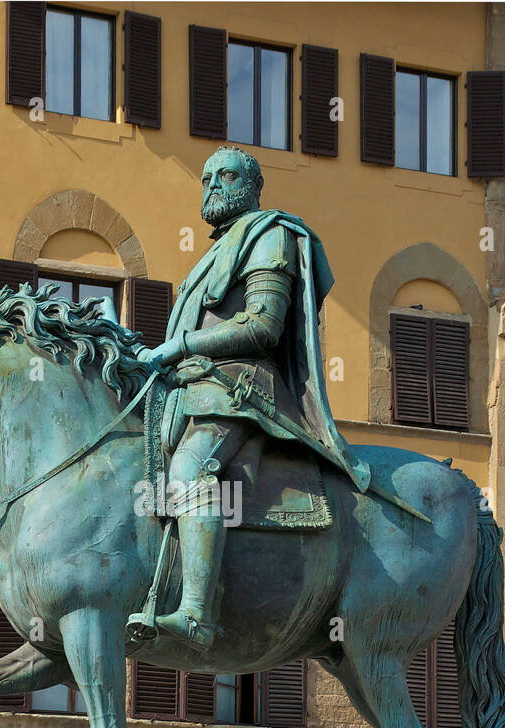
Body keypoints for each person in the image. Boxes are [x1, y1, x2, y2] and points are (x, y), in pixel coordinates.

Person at [132, 145, 369, 650]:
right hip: (190, 392)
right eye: (207, 177)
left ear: (251, 185)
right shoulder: (212, 254)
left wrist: (182, 345)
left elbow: (263, 327)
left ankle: (196, 612)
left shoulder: (270, 234)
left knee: (190, 471)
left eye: (226, 174)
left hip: (240, 392)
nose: (213, 183)